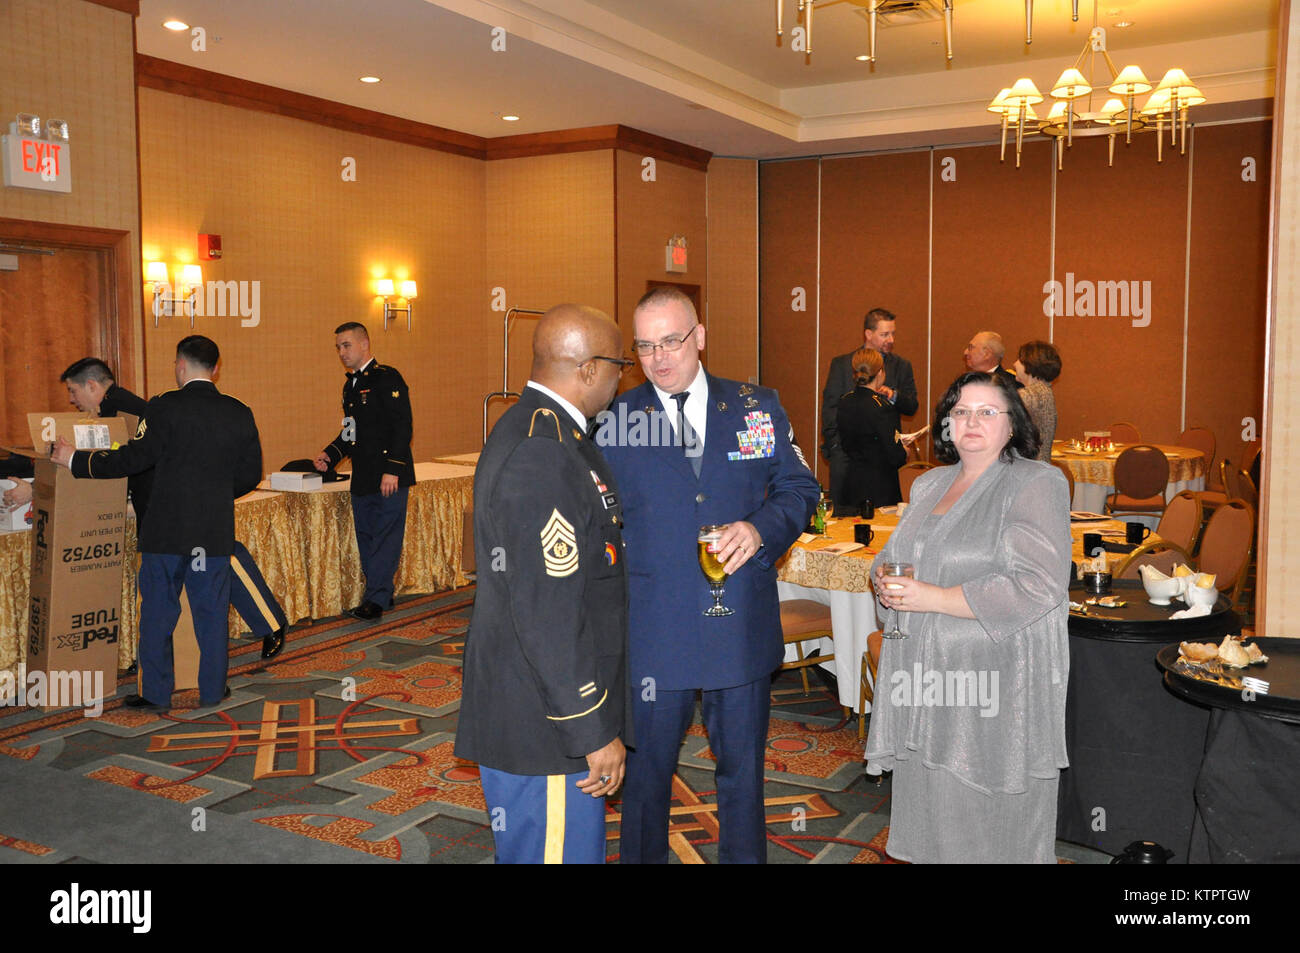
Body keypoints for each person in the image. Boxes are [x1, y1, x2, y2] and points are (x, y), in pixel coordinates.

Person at [601, 286, 820, 864]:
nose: (658, 357)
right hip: (655, 631)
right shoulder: (617, 420)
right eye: (644, 346)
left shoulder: (756, 406)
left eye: (671, 340)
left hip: (738, 626)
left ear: (700, 337)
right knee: (644, 781)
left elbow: (801, 488)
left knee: (742, 777)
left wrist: (760, 529)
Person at [865, 370, 1071, 863]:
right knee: (931, 799)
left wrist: (931, 597)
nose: (970, 421)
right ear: (945, 425)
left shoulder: (1037, 481)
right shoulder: (930, 483)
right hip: (924, 669)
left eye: (986, 412)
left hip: (997, 676)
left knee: (985, 808)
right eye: (960, 412)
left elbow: (1038, 584)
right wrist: (884, 581)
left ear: (1012, 424)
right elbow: (892, 556)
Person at [456, 304, 634, 864]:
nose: (620, 377)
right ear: (587, 368)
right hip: (546, 723)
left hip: (541, 707)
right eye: (618, 365)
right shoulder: (542, 452)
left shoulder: (555, 433)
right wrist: (588, 729)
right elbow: (546, 609)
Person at [9, 358, 287, 660]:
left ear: (92, 385)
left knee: (226, 558)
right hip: (167, 509)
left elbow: (129, 460)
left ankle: (271, 624)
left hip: (175, 508)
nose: (71, 400)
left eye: (74, 391)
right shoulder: (114, 409)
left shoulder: (127, 410)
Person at [51, 336, 263, 710]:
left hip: (165, 531)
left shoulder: (164, 407)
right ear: (216, 369)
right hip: (211, 533)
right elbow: (250, 474)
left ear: (180, 366)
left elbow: (132, 460)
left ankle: (156, 694)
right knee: (211, 615)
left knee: (159, 614)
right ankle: (213, 692)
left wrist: (75, 460)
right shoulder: (239, 411)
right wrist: (211, 497)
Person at [314, 322, 415, 622]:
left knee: (385, 536)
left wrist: (393, 470)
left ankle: (376, 598)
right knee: (368, 536)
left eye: (346, 345)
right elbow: (351, 431)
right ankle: (381, 592)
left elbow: (402, 426)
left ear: (364, 344)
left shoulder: (387, 378)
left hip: (388, 474)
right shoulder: (350, 386)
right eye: (338, 347)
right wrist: (330, 455)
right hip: (364, 475)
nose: (341, 352)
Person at [822, 308, 918, 511]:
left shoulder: (901, 366)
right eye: (885, 334)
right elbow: (830, 410)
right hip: (845, 457)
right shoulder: (842, 364)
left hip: (882, 459)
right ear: (868, 334)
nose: (890, 339)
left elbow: (911, 406)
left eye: (893, 333)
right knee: (844, 518)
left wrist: (893, 396)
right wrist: (836, 448)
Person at [837, 347, 908, 510]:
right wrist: (904, 451)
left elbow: (845, 443)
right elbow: (895, 455)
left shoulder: (844, 401)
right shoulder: (882, 407)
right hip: (880, 488)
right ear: (881, 372)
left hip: (852, 483)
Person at [1013, 340, 1062, 462]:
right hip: (1039, 466)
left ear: (1030, 363)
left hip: (1027, 469)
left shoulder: (1030, 394)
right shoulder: (1044, 390)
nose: (1014, 363)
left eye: (1019, 359)